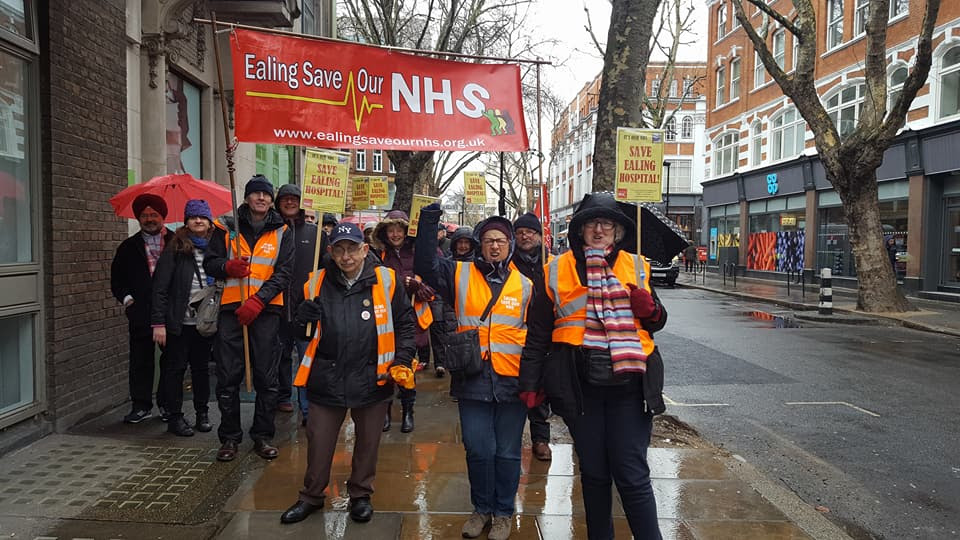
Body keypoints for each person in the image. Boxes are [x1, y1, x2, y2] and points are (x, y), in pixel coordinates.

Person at [518, 192, 667, 540]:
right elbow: (538, 333)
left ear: (618, 231)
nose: (599, 230)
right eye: (592, 224)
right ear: (580, 230)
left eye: (607, 224)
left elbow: (657, 321)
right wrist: (530, 383)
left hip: (631, 387)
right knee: (595, 474)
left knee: (631, 473)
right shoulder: (555, 270)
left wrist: (650, 309)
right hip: (579, 388)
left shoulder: (637, 266)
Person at [280, 222, 416, 525]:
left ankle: (360, 494)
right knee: (319, 441)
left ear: (365, 249)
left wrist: (402, 359)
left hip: (373, 377)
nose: (346, 256)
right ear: (330, 251)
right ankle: (311, 495)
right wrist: (302, 318)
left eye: (352, 248)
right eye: (339, 249)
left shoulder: (387, 280)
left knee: (368, 443)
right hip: (326, 376)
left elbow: (406, 324)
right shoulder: (314, 283)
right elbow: (299, 333)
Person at [415, 204, 533, 540]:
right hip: (473, 377)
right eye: (489, 240)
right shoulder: (459, 273)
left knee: (507, 453)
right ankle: (481, 509)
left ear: (510, 245)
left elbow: (535, 334)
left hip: (512, 380)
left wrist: (537, 381)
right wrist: (428, 222)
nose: (495, 246)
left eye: (501, 241)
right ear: (480, 245)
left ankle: (503, 513)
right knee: (478, 449)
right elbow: (425, 265)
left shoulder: (525, 284)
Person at [204, 174, 294, 462]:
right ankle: (230, 437)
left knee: (267, 376)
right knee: (228, 375)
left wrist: (259, 300)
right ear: (246, 197)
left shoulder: (282, 230)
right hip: (232, 309)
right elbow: (210, 263)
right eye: (256, 193)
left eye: (266, 195)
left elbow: (284, 273)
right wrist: (227, 266)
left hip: (266, 311)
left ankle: (263, 435)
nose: (262, 198)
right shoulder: (226, 226)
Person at [150, 200, 215, 437]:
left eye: (203, 217)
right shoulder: (175, 249)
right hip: (178, 322)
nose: (198, 221)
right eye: (193, 217)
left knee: (201, 370)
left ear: (209, 222)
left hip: (205, 323)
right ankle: (175, 417)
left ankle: (202, 414)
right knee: (175, 370)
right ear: (186, 222)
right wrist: (159, 323)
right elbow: (160, 288)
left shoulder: (216, 247)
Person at [111, 193, 174, 424]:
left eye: (154, 214)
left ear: (162, 216)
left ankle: (168, 405)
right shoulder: (128, 247)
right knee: (140, 360)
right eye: (145, 215)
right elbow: (117, 280)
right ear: (138, 218)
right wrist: (129, 301)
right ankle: (141, 406)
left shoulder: (177, 243)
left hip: (170, 312)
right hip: (141, 313)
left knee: (171, 361)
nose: (149, 219)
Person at [371, 210, 433, 433]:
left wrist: (419, 287)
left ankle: (408, 410)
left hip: (412, 320)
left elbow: (434, 286)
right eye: (391, 230)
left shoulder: (418, 254)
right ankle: (385, 411)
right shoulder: (378, 255)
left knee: (406, 365)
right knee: (386, 364)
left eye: (399, 230)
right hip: (385, 318)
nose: (395, 234)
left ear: (407, 232)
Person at [274, 184, 325, 423]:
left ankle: (307, 410)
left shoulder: (315, 233)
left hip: (306, 309)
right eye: (285, 199)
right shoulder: (273, 231)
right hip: (276, 307)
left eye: (294, 199)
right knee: (280, 357)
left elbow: (327, 266)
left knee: (307, 359)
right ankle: (283, 396)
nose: (290, 202)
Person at [510, 212, 553, 462]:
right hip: (516, 330)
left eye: (529, 232)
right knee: (518, 387)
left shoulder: (551, 263)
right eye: (520, 232)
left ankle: (540, 438)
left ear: (539, 235)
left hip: (543, 333)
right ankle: (512, 435)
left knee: (539, 387)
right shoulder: (509, 262)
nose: (524, 236)